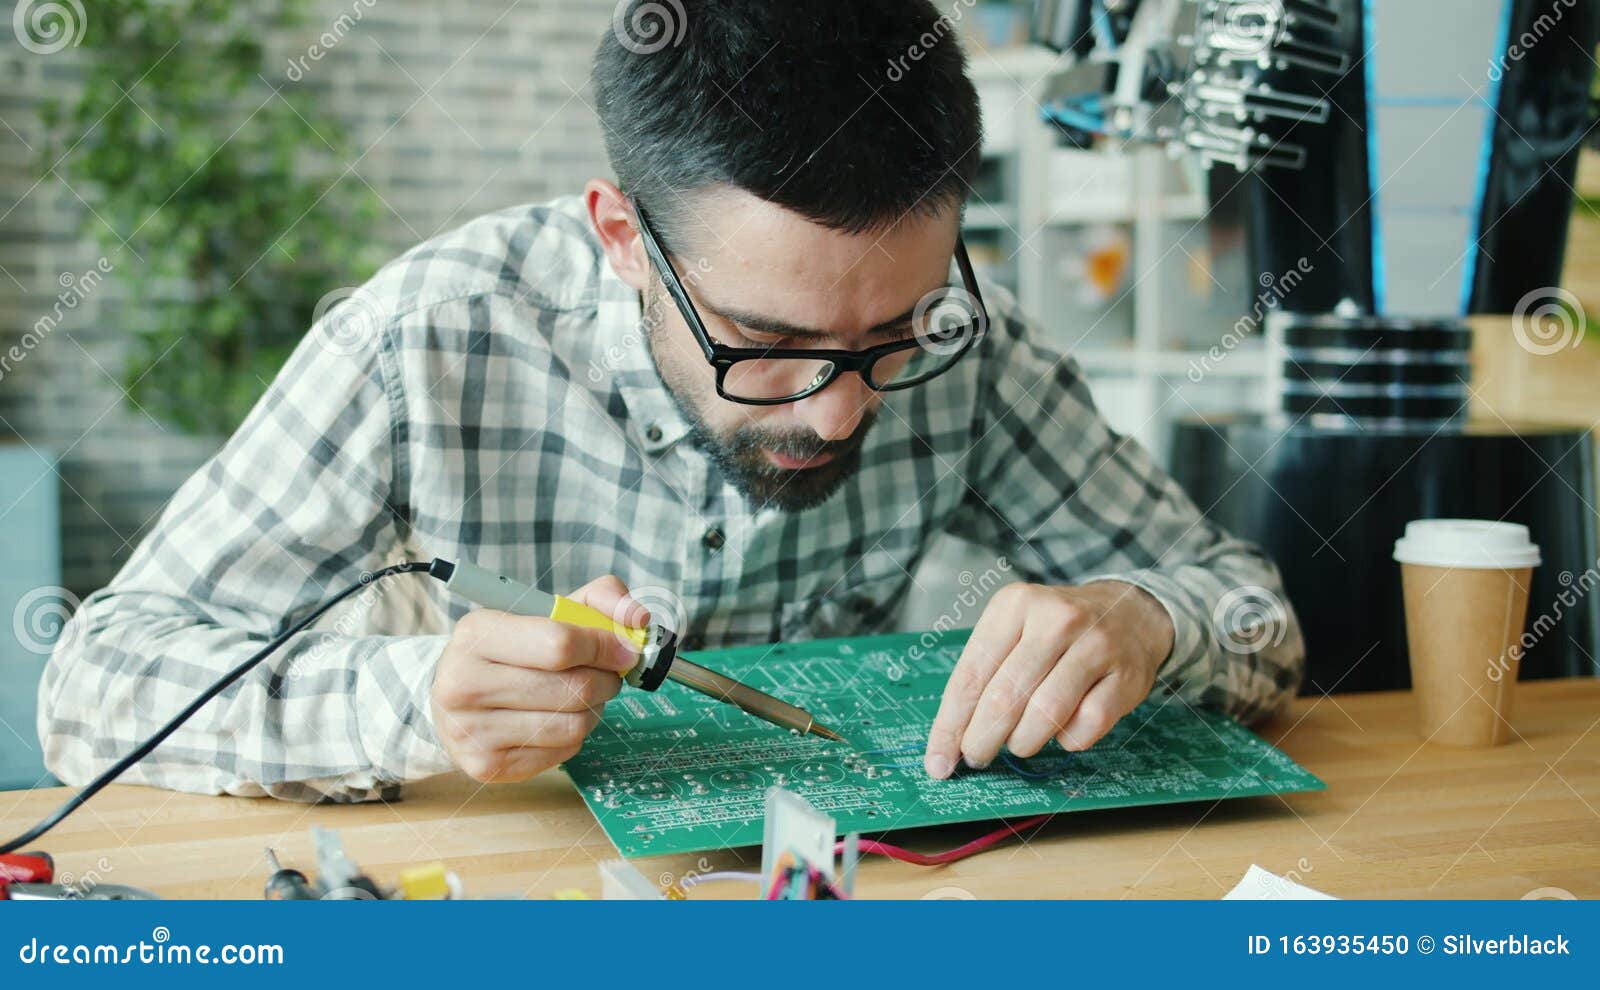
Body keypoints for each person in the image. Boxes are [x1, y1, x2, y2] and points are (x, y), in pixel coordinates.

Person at [40, 1, 1303, 801]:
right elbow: (94, 688)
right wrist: (410, 701)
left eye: (891, 335)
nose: (836, 414)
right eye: (765, 342)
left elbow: (1254, 614)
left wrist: (1141, 620)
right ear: (622, 237)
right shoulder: (420, 338)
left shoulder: (972, 342)